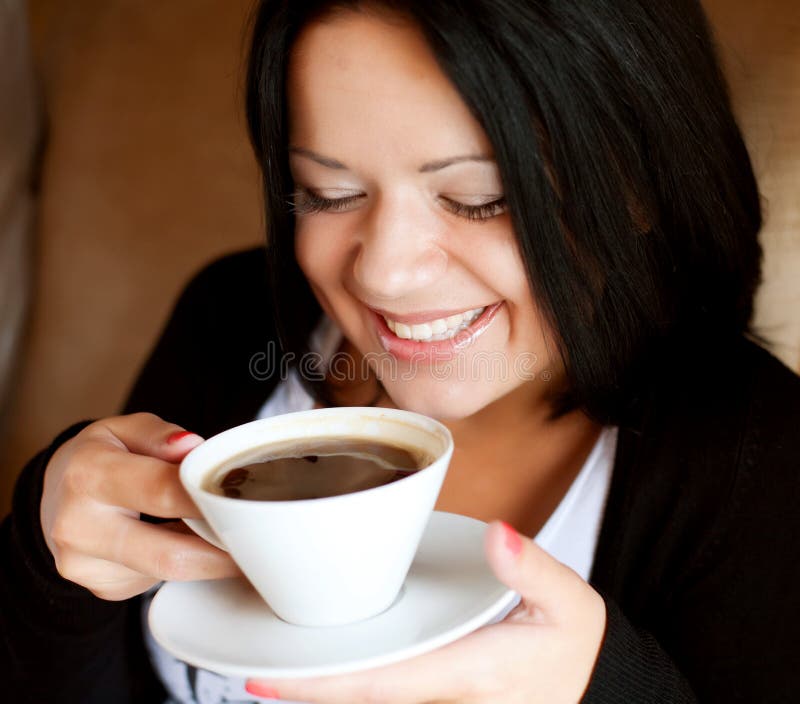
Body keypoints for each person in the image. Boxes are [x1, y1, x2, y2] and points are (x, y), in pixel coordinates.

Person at [2, 1, 799, 702]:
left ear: (637, 189)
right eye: (329, 192)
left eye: (479, 198)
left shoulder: (757, 469)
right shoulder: (229, 322)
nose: (382, 271)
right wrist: (54, 568)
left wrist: (603, 690)